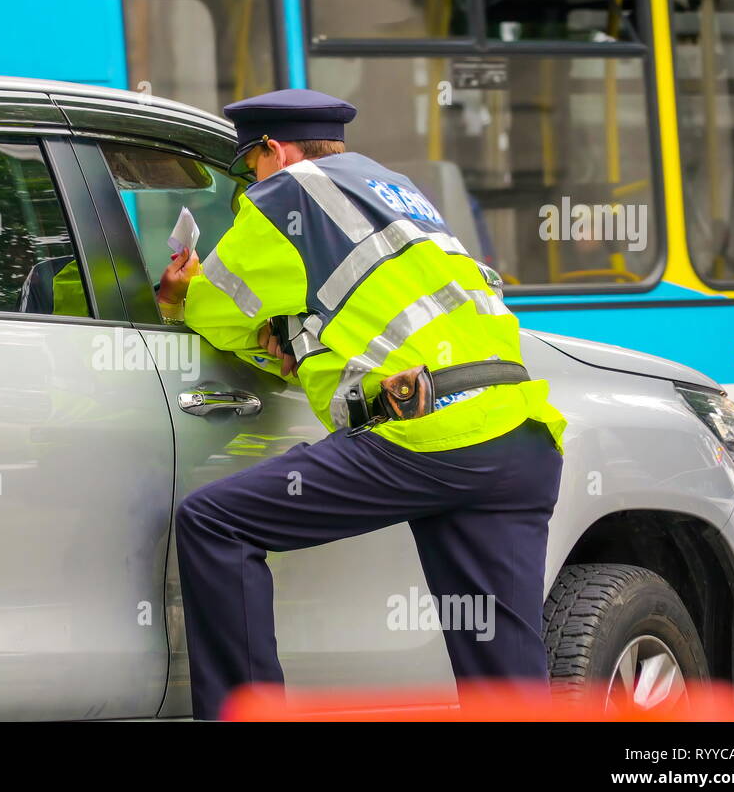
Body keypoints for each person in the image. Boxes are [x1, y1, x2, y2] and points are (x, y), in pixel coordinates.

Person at [156, 89, 568, 720]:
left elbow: (221, 311)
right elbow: (378, 306)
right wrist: (295, 337)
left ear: (272, 150)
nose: (250, 183)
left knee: (216, 522)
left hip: (425, 435)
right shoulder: (397, 192)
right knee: (504, 670)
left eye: (249, 166)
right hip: (520, 435)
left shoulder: (284, 196)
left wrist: (180, 292)